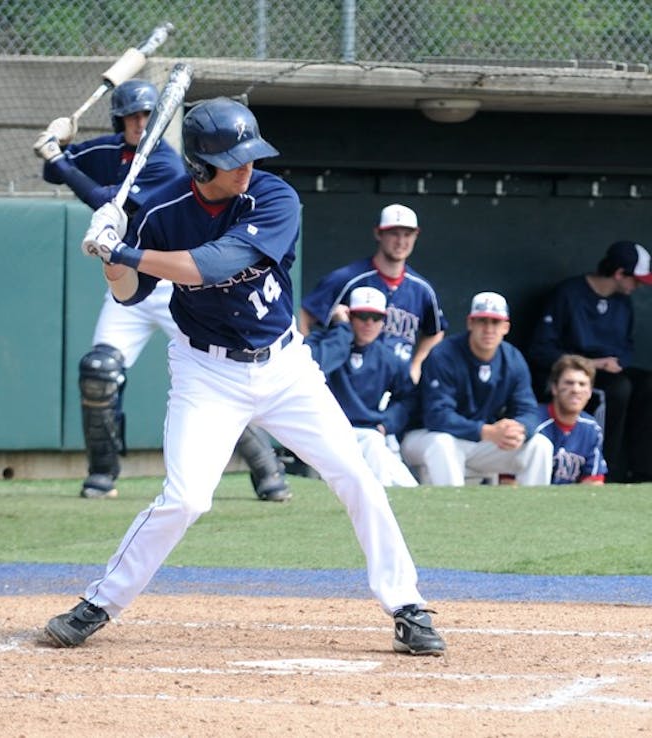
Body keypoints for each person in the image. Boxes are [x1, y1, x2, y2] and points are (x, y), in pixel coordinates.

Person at [44, 97, 445, 656]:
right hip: (205, 372)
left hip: (284, 368)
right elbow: (128, 294)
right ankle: (98, 604)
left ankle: (407, 605)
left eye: (250, 155)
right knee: (185, 500)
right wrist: (111, 254)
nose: (247, 166)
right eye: (233, 159)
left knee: (355, 474)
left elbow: (216, 263)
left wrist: (130, 251)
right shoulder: (159, 212)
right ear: (200, 167)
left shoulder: (275, 197)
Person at [35, 80, 289, 501]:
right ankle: (102, 474)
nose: (139, 124)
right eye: (132, 117)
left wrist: (64, 166)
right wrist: (56, 142)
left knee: (219, 376)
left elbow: (114, 199)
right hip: (133, 285)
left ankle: (267, 471)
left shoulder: (170, 165)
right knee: (99, 370)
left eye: (147, 116)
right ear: (120, 120)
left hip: (181, 283)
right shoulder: (106, 150)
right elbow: (52, 167)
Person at [527, 240, 652, 483]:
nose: (637, 286)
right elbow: (540, 350)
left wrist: (618, 362)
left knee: (648, 382)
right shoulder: (568, 293)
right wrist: (594, 364)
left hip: (610, 370)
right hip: (572, 372)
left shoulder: (622, 302)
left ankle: (643, 472)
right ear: (618, 273)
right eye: (635, 280)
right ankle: (603, 470)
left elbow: (626, 346)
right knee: (617, 390)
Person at [401, 291, 552, 486]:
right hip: (425, 437)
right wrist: (487, 432)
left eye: (495, 322)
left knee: (540, 446)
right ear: (470, 323)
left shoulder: (513, 359)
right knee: (442, 444)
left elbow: (528, 410)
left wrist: (518, 429)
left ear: (505, 327)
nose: (488, 329)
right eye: (482, 321)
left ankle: (534, 514)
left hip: (480, 441)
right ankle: (451, 511)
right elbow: (436, 417)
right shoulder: (444, 355)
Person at [300, 203, 447, 383]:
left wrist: (416, 364)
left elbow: (436, 331)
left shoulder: (423, 289)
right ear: (378, 233)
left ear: (416, 235)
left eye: (407, 234)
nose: (401, 242)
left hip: (396, 382)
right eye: (394, 233)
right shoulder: (347, 278)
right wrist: (307, 362)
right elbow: (303, 316)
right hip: (349, 381)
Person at [305, 286, 418, 487]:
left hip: (369, 433)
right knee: (374, 452)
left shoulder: (387, 357)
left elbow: (407, 398)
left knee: (407, 485)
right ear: (349, 316)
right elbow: (317, 366)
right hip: (324, 433)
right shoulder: (322, 343)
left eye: (376, 318)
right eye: (362, 316)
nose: (369, 323)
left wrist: (387, 424)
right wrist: (341, 329)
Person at [536, 354, 607, 485]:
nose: (576, 389)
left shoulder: (591, 428)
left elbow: (594, 480)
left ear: (590, 392)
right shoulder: (534, 421)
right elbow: (509, 478)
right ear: (554, 388)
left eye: (582, 384)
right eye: (569, 383)